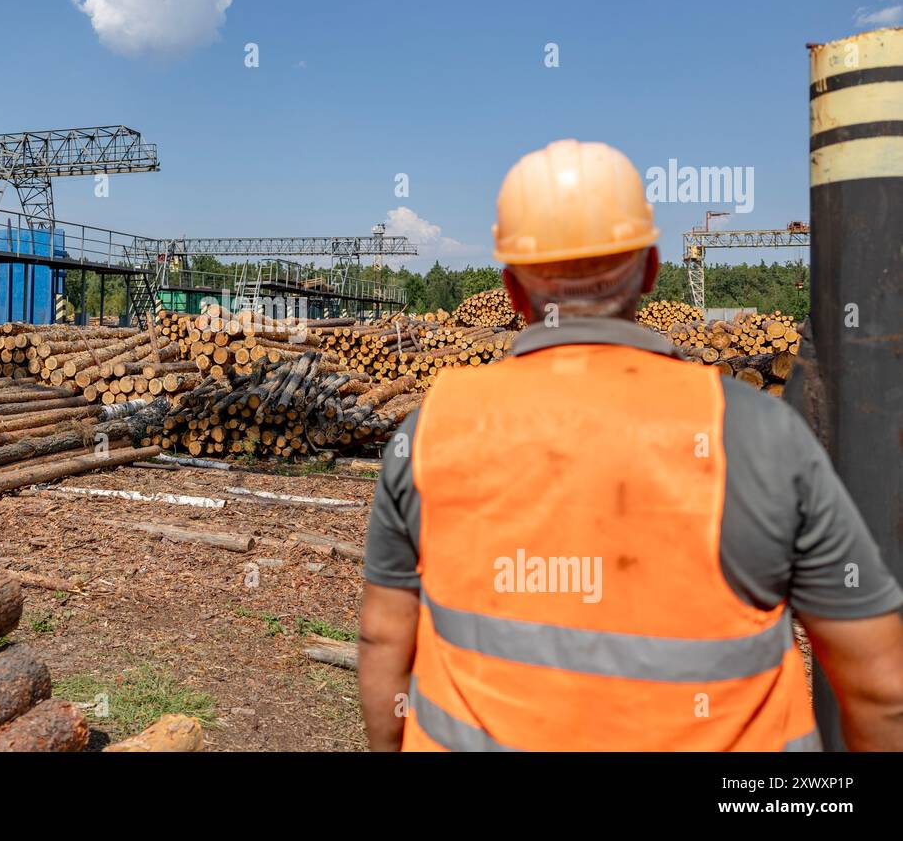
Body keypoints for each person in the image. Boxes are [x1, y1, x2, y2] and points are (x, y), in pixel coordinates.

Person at [358, 139, 903, 751]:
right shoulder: (759, 434)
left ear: (511, 291)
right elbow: (882, 688)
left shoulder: (429, 433)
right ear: (649, 269)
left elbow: (385, 642)